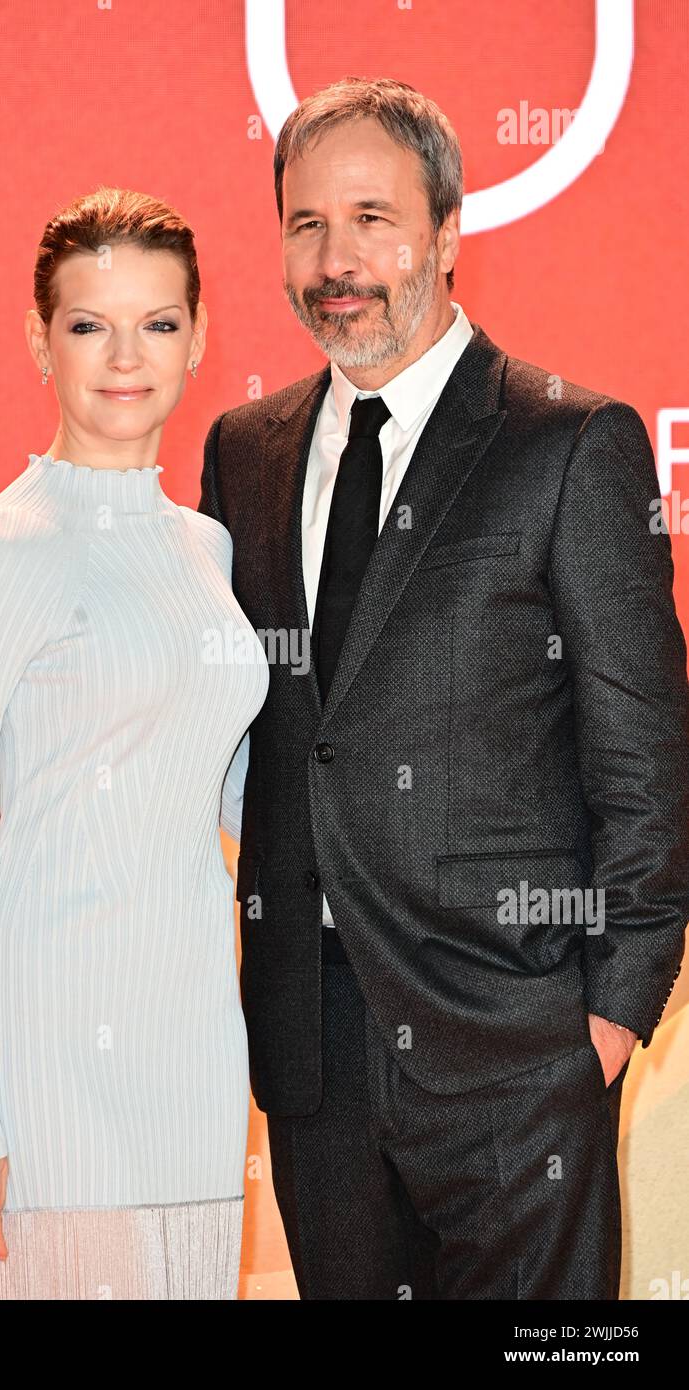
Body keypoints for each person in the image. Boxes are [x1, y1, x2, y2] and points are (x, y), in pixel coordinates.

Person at [195, 77, 689, 1299]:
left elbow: (644, 754)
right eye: (306, 225)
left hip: (514, 1044)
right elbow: (213, 711)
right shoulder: (242, 452)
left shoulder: (567, 443)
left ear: (448, 232)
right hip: (311, 1052)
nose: (336, 260)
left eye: (372, 218)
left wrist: (607, 1019)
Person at [0, 186, 269, 1300]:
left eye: (157, 322)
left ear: (198, 338)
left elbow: (235, 794)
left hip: (195, 1043)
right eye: (88, 325)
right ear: (39, 341)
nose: (125, 357)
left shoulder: (206, 546)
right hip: (48, 1044)